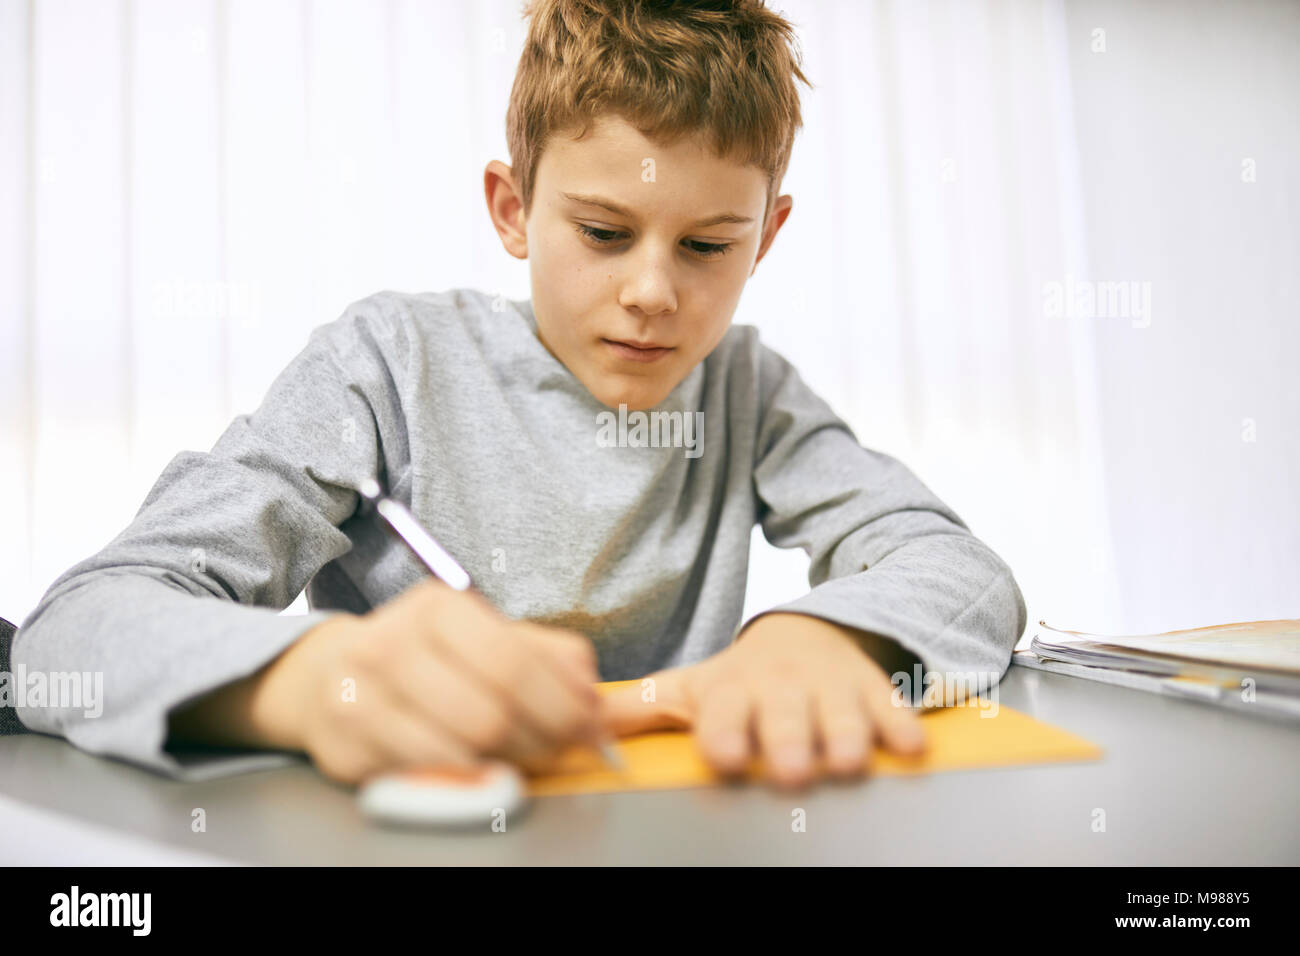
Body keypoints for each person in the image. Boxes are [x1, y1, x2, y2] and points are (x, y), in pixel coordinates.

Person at [13, 0, 1026, 789]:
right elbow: (76, 630)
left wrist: (818, 641)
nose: (652, 293)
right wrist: (313, 680)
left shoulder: (748, 392)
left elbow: (965, 576)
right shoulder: (386, 365)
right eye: (602, 231)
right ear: (512, 208)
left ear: (765, 237)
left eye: (710, 245)